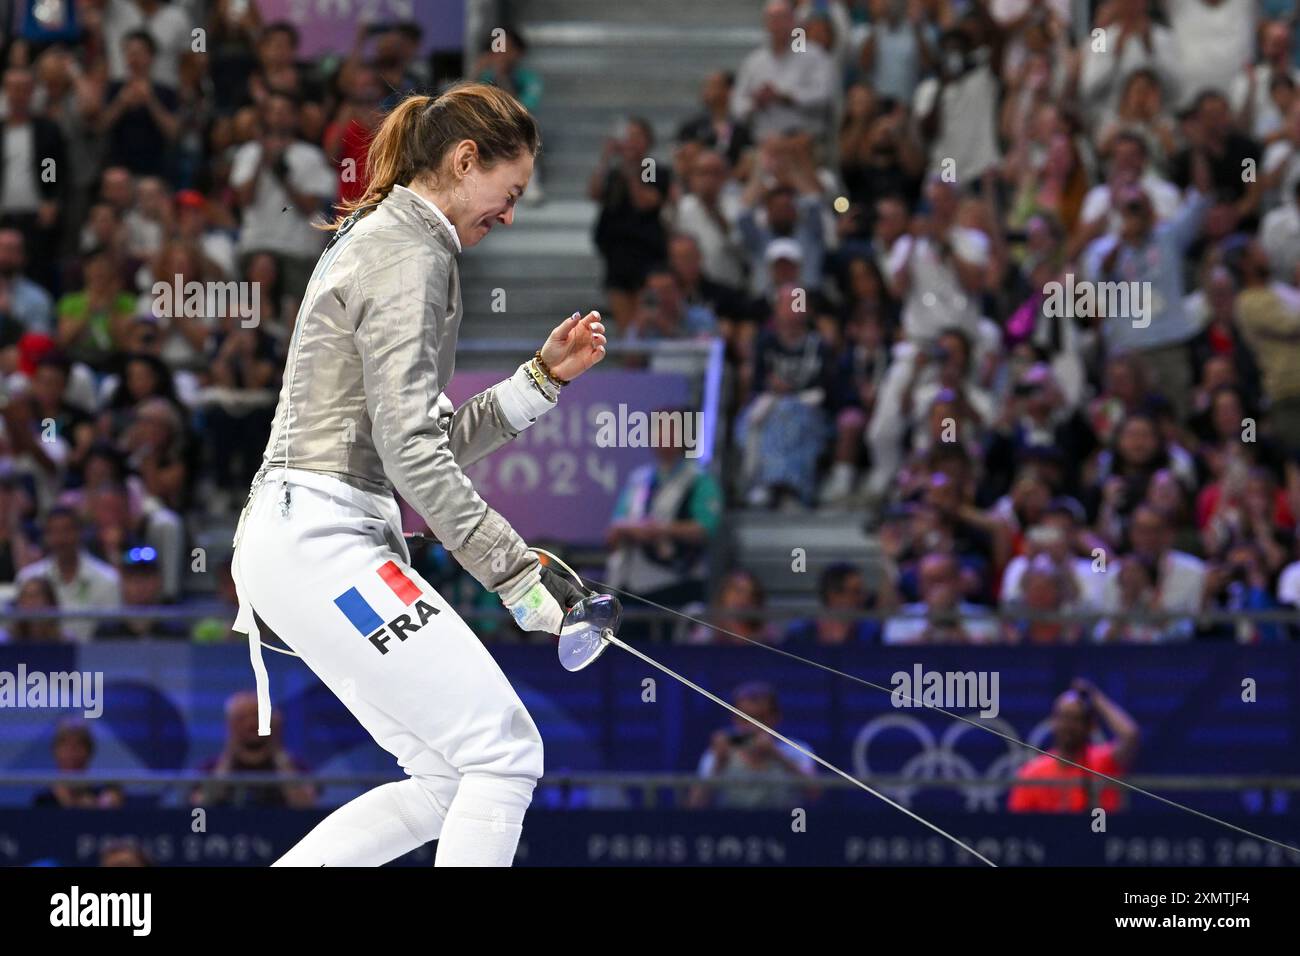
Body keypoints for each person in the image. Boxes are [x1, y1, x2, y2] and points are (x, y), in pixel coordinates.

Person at [230, 83, 606, 868]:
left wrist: (541, 380)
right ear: (466, 160)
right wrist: (512, 570)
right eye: (508, 194)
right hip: (323, 538)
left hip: (315, 533)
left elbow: (416, 442)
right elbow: (409, 451)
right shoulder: (408, 251)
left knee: (447, 777)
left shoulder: (401, 240)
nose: (507, 215)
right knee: (502, 754)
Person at [1007, 679, 1140, 812]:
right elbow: (1019, 826)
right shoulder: (1032, 774)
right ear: (1053, 722)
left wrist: (1095, 698)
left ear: (1089, 726)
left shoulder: (1104, 761)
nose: (1068, 726)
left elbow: (1130, 735)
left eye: (1076, 719)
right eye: (1063, 717)